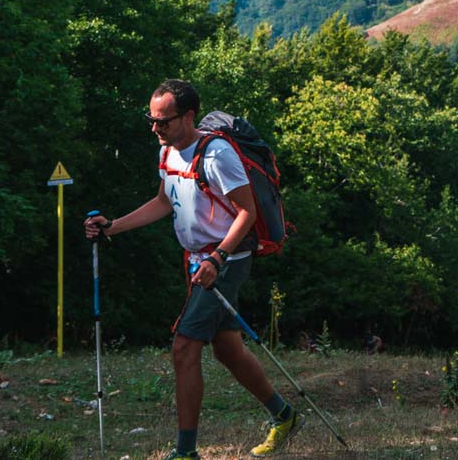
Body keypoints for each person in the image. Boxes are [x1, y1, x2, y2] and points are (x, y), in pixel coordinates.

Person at [84, 79, 301, 459]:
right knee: (228, 350)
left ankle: (185, 453)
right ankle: (284, 416)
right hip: (197, 262)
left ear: (188, 116)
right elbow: (163, 201)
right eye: (151, 121)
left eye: (163, 122)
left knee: (184, 348)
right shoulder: (167, 153)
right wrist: (112, 227)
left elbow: (247, 212)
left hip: (227, 261)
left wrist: (218, 258)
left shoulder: (217, 155)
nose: (155, 129)